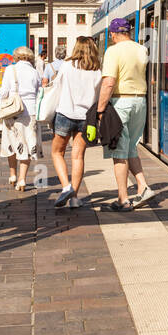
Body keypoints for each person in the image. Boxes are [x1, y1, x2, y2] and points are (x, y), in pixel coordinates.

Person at [96, 17, 155, 210]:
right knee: (131, 148)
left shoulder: (113, 51)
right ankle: (143, 186)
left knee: (118, 152)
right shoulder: (141, 49)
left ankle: (123, 198)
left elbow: (109, 82)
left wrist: (100, 109)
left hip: (121, 102)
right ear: (128, 32)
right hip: (141, 101)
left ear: (113, 34)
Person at [50, 37, 103, 209]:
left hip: (65, 112)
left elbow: (56, 86)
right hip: (86, 117)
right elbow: (98, 96)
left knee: (57, 152)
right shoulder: (97, 70)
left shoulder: (67, 65)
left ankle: (66, 187)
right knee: (78, 156)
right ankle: (74, 198)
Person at [0, 46, 42, 191]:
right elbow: (38, 91)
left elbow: (4, 92)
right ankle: (22, 179)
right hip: (31, 112)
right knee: (28, 145)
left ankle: (12, 175)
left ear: (16, 57)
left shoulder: (11, 69)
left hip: (13, 112)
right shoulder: (35, 72)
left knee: (12, 142)